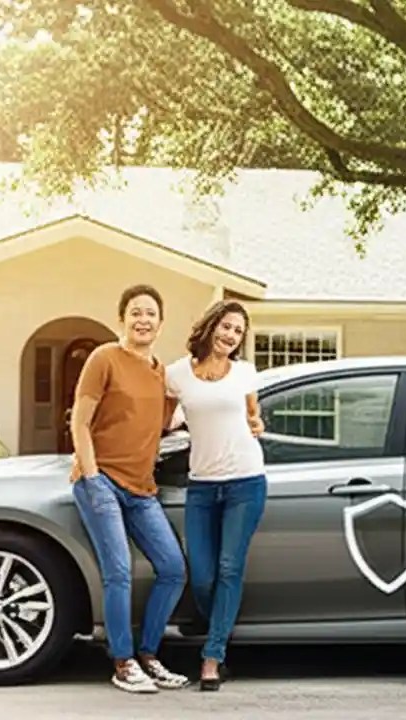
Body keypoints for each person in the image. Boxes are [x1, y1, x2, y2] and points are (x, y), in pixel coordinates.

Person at [68, 284, 189, 694]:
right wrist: (91, 475)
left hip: (142, 490)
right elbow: (80, 422)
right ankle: (122, 662)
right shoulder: (104, 358)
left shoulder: (160, 372)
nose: (143, 320)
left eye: (150, 313)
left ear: (160, 322)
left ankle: (149, 656)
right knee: (118, 572)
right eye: (135, 312)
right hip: (101, 483)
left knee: (173, 569)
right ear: (122, 318)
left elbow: (169, 424)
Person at [165, 300, 267, 691]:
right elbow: (164, 418)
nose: (230, 335)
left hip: (246, 481)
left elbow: (252, 415)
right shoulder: (177, 374)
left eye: (238, 331)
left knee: (228, 569)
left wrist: (256, 423)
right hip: (202, 485)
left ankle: (213, 657)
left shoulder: (244, 373)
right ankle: (219, 624)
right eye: (226, 326)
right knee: (203, 575)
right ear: (210, 326)